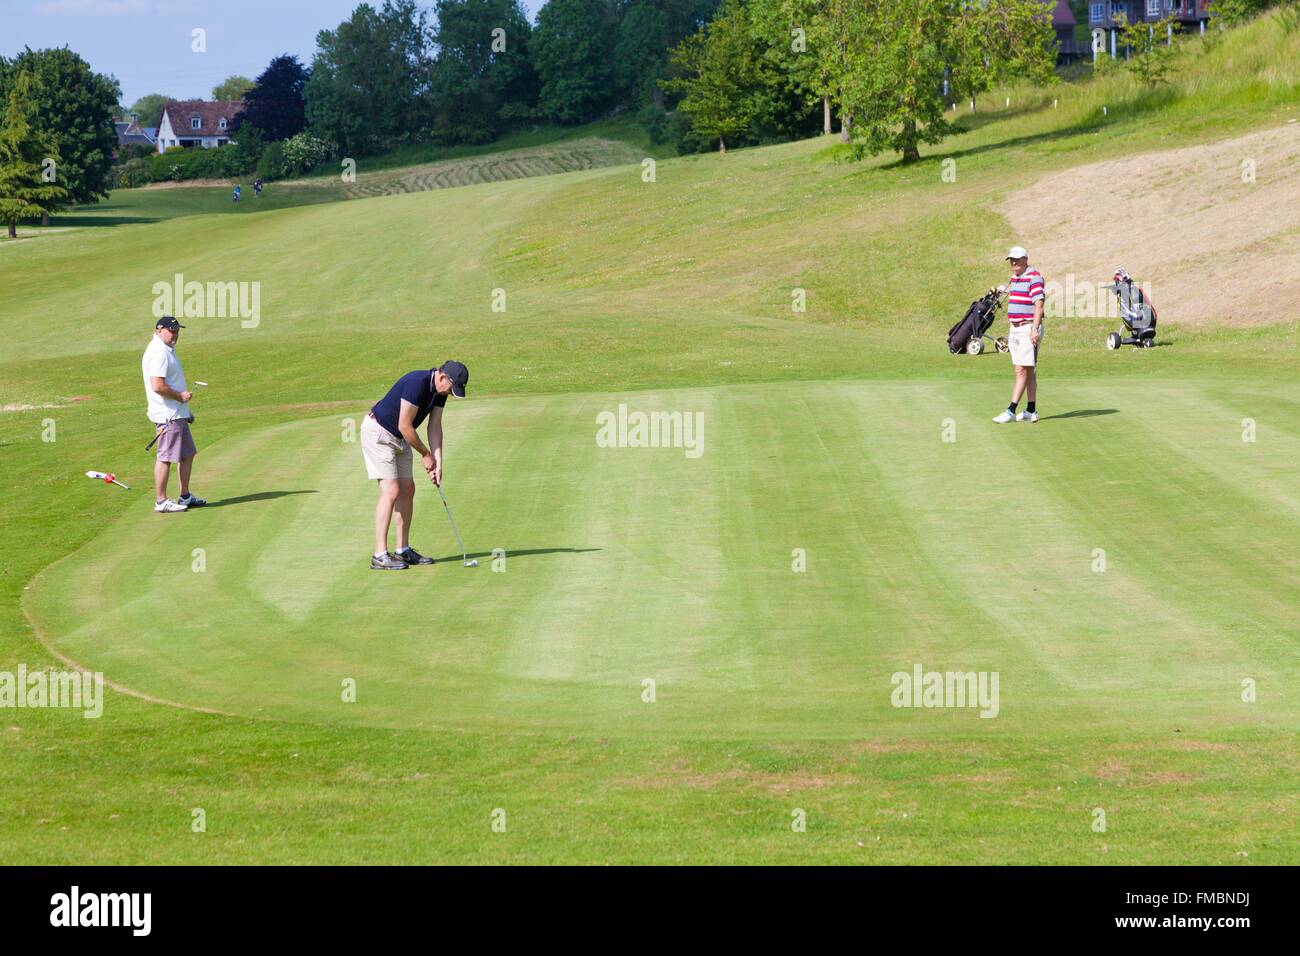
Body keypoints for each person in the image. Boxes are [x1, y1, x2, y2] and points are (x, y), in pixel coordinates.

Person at [361, 361, 470, 570]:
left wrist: (438, 462)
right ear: (441, 378)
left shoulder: (440, 393)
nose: (449, 393)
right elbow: (404, 424)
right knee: (391, 490)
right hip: (379, 433)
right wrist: (426, 454)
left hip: (400, 438)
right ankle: (380, 555)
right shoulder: (416, 383)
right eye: (451, 388)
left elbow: (435, 426)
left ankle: (402, 550)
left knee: (408, 489)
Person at [142, 316, 205, 512]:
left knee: (187, 454)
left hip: (177, 413)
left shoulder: (167, 350)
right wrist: (180, 397)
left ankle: (185, 496)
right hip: (167, 415)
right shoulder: (158, 352)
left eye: (177, 331)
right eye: (171, 331)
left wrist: (186, 411)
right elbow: (158, 386)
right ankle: (161, 501)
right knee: (166, 457)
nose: (175, 334)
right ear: (159, 330)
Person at [992, 246, 1045, 424]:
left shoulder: (1034, 277)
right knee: (1028, 370)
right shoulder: (1015, 277)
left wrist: (1034, 330)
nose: (1013, 263)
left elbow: (1039, 305)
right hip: (1015, 329)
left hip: (1028, 328)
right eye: (1011, 260)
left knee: (1021, 370)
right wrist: (1003, 290)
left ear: (1025, 259)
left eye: (1016, 259)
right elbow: (1017, 295)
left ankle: (1011, 410)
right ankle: (1031, 410)